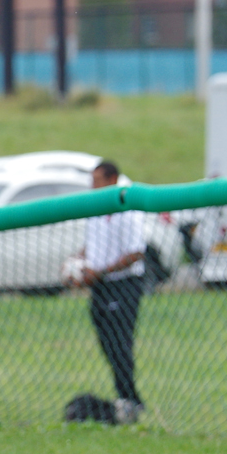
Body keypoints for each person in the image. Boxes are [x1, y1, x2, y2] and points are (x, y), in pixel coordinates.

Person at [77, 159, 147, 424]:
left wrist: (102, 271)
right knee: (106, 341)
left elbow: (136, 253)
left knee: (120, 342)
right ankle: (126, 396)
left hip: (123, 283)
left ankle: (130, 399)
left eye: (97, 180)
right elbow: (92, 246)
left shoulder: (127, 210)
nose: (93, 186)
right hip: (101, 285)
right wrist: (78, 263)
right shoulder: (95, 210)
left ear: (112, 180)